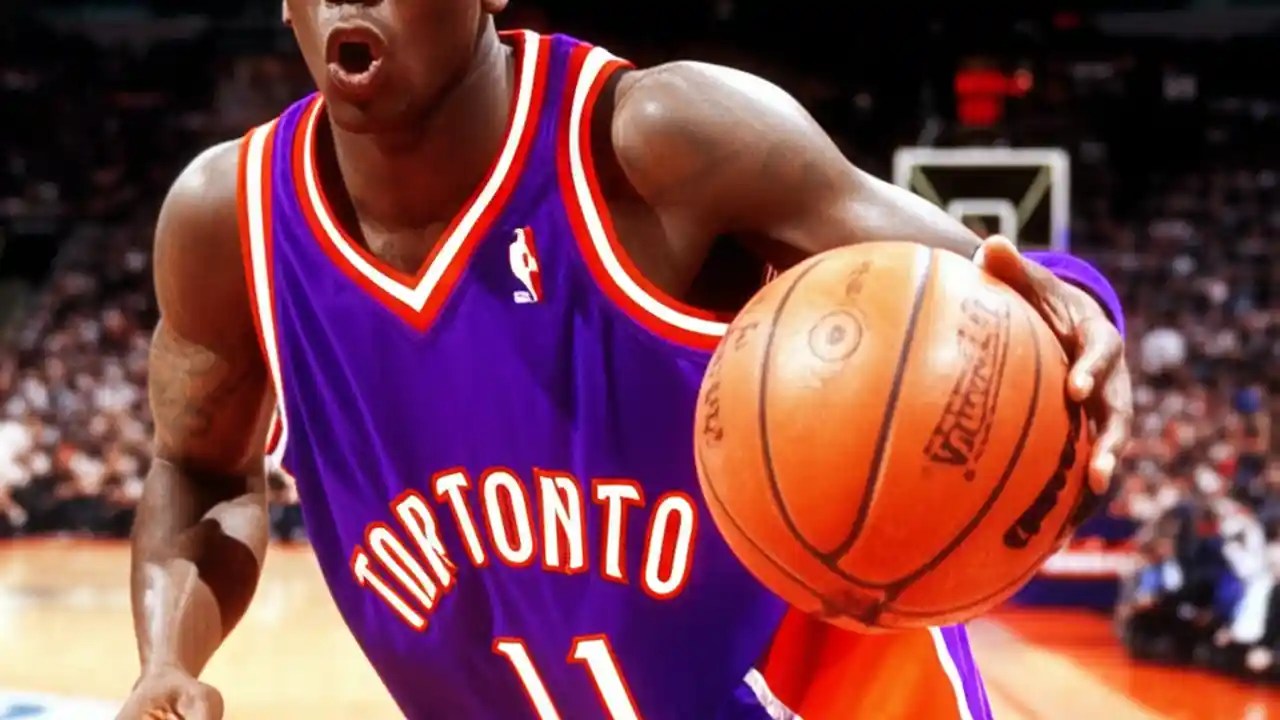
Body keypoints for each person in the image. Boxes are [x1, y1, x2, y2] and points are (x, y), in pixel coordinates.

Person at [117, 2, 1132, 719]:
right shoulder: (229, 225)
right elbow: (198, 468)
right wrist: (166, 658)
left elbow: (996, 292)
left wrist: (1078, 321)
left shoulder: (657, 140)